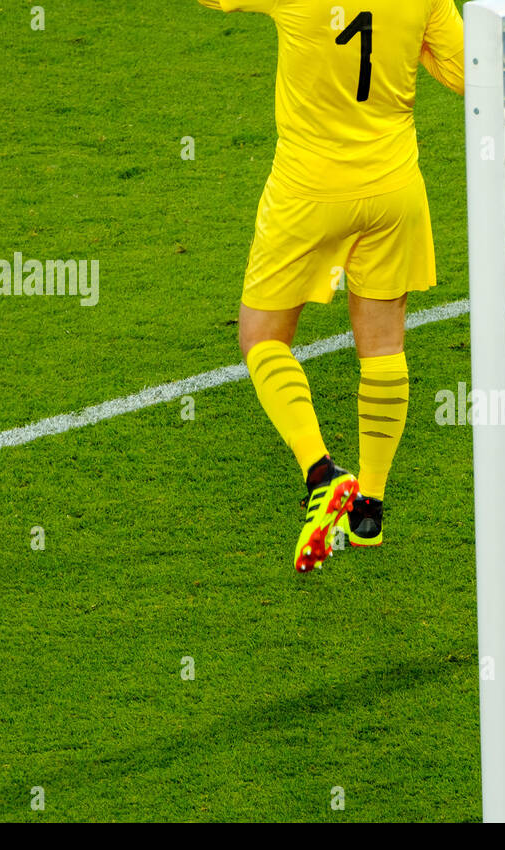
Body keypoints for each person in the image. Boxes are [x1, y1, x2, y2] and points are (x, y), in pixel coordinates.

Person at [195, 0, 465, 571]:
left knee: (262, 338)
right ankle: (370, 508)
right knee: (385, 346)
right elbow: (469, 74)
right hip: (394, 191)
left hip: (308, 193)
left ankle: (322, 472)